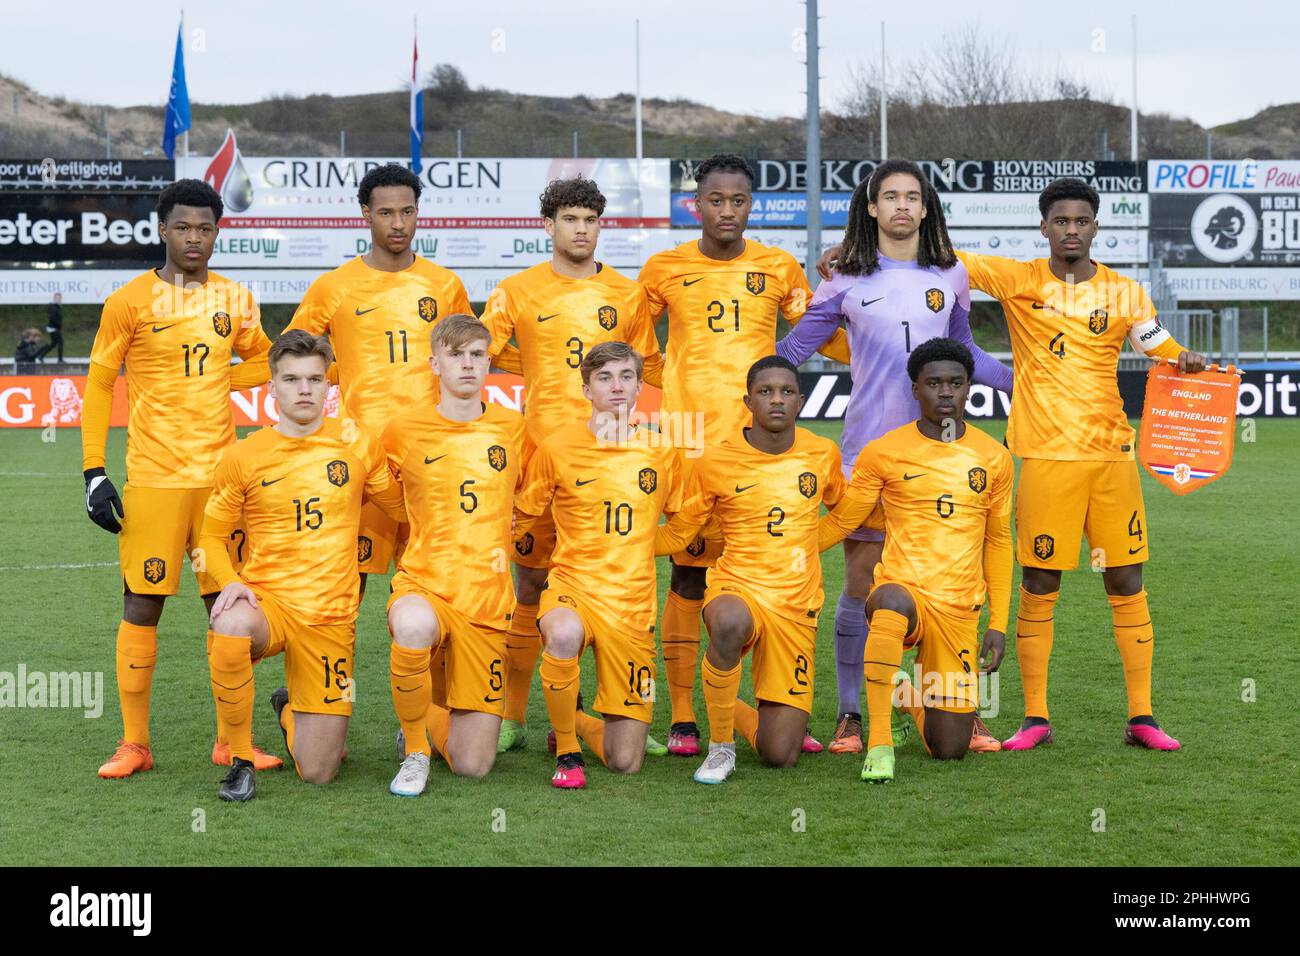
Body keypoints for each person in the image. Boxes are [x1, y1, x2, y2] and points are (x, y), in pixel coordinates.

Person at [821, 178, 1207, 750]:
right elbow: (935, 254)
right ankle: (1034, 718)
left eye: (1081, 221)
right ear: (1044, 227)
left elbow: (1159, 345)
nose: (1071, 230)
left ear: (1096, 227)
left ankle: (1143, 717)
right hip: (1046, 458)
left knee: (1126, 581)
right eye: (1061, 221)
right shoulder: (1018, 279)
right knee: (1040, 581)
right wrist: (850, 256)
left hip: (1112, 459)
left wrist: (1189, 359)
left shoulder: (1127, 293)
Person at [777, 159, 1013, 755]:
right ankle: (854, 714)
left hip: (948, 458)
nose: (902, 206)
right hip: (869, 457)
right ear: (872, 208)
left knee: (956, 582)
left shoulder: (951, 275)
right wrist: (737, 388)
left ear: (926, 207)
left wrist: (1023, 382)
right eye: (891, 197)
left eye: (913, 196)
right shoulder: (844, 281)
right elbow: (795, 348)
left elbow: (962, 352)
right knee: (861, 583)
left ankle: (958, 705)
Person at [638, 153, 849, 757]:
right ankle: (682, 718)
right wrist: (671, 390)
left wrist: (843, 292)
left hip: (764, 449)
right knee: (687, 569)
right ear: (695, 205)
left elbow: (821, 334)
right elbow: (634, 344)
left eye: (738, 201)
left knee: (768, 572)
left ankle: (770, 706)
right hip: (690, 447)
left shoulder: (778, 267)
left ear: (750, 205)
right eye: (716, 200)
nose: (727, 210)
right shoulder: (663, 267)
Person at [82, 178, 275, 780]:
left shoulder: (237, 300)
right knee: (142, 605)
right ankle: (134, 743)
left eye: (206, 228)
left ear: (219, 231)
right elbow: (99, 385)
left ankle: (231, 742)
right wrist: (94, 471)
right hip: (154, 481)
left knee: (227, 605)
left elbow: (268, 360)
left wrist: (225, 381)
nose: (195, 238)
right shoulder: (129, 301)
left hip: (222, 481)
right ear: (161, 229)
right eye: (184, 227)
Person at [479, 176, 666, 755]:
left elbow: (649, 370)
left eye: (590, 220)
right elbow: (480, 351)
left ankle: (611, 713)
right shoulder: (516, 290)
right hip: (542, 458)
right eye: (570, 220)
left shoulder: (627, 295)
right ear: (548, 226)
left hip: (612, 460)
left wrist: (647, 438)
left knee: (617, 576)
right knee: (531, 584)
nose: (580, 230)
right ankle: (512, 715)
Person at [198, 330, 406, 801]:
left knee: (320, 772)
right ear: (271, 387)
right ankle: (240, 759)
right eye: (292, 379)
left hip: (330, 617)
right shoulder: (242, 456)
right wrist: (230, 582)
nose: (305, 389)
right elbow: (209, 537)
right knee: (229, 624)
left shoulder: (357, 442)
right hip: (269, 603)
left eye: (315, 379)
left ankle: (289, 709)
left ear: (330, 387)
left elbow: (400, 507)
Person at [818, 338, 1013, 783]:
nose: (945, 392)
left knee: (950, 750)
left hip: (959, 608)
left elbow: (999, 543)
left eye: (955, 383)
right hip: (903, 594)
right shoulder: (884, 452)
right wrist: (786, 547)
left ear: (969, 390)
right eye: (933, 383)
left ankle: (907, 696)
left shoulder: (994, 459)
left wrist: (998, 624)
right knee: (887, 600)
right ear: (915, 389)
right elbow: (843, 521)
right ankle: (881, 744)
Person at [284, 163, 474, 594]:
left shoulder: (445, 285)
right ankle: (334, 662)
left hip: (433, 453)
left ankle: (425, 663)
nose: (398, 223)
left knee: (437, 586)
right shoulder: (333, 287)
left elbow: (469, 364)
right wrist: (338, 374)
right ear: (365, 214)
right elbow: (293, 359)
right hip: (359, 453)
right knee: (347, 585)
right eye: (386, 213)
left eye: (407, 212)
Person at [653, 356, 845, 784]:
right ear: (748, 401)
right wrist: (626, 538)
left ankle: (724, 700)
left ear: (800, 400)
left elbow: (845, 514)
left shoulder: (821, 453)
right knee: (728, 622)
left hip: (796, 607)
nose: (776, 400)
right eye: (765, 392)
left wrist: (806, 542)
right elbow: (681, 532)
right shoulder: (715, 462)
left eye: (786, 392)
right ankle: (721, 748)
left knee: (780, 755)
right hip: (738, 587)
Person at [514, 342, 681, 789]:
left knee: (625, 761)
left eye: (626, 377)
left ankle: (578, 721)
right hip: (572, 587)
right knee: (563, 633)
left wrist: (641, 544)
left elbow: (685, 523)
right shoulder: (556, 449)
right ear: (586, 388)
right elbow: (524, 517)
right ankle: (568, 752)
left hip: (631, 604)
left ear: (641, 387)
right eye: (604, 378)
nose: (617, 387)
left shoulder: (662, 450)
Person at [382, 314, 525, 795]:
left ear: (489, 362)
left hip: (487, 602)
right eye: (456, 354)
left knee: (473, 765)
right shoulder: (402, 430)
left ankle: (421, 719)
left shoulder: (515, 429)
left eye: (477, 355)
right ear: (434, 363)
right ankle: (416, 751)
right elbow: (375, 492)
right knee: (414, 627)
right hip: (425, 585)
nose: (467, 364)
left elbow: (540, 497)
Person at [36, 292, 64, 363]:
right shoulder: (53, 307)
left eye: (59, 298)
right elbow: (52, 318)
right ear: (54, 299)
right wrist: (57, 325)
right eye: (57, 298)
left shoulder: (57, 307)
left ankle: (41, 355)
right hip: (53, 328)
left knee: (53, 344)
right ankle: (60, 359)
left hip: (54, 328)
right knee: (60, 342)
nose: (58, 299)